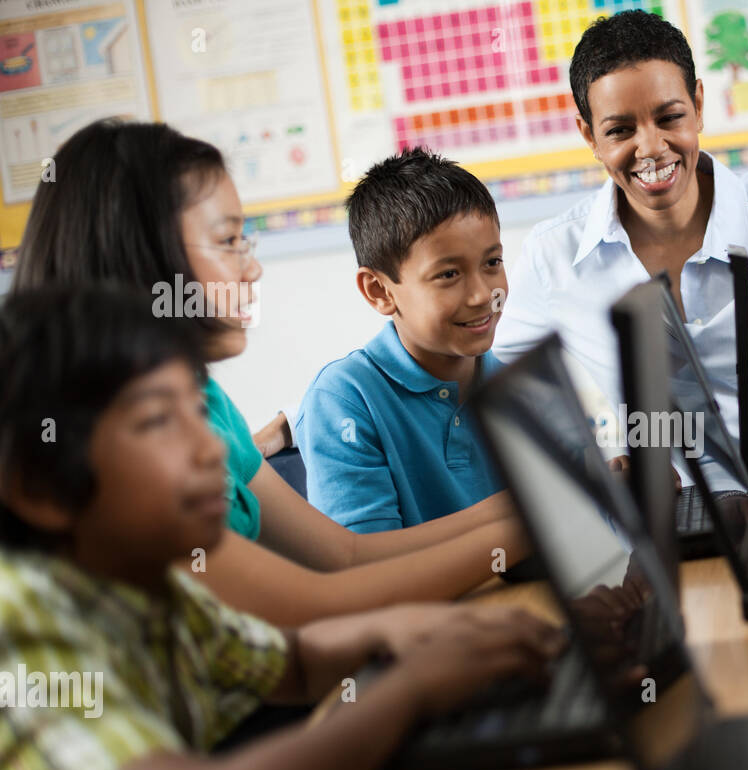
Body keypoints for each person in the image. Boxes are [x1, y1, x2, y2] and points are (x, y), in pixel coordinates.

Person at [0, 286, 563, 770]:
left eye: (198, 414)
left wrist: (412, 635)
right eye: (157, 422)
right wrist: (412, 689)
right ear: (40, 490)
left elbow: (292, 662)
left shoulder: (151, 585)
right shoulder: (23, 622)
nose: (211, 452)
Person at [12, 120, 529, 626]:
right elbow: (327, 600)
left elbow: (345, 557)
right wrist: (529, 524)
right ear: (141, 257)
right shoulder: (112, 447)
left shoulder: (207, 403)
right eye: (229, 241)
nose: (252, 267)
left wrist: (527, 511)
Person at [494, 11, 748, 509]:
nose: (651, 147)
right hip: (666, 526)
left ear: (698, 106)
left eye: (669, 117)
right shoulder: (555, 257)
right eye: (619, 130)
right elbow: (505, 388)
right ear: (589, 136)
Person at [296, 150, 508, 531]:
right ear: (379, 291)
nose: (481, 295)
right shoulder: (344, 399)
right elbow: (370, 566)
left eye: (492, 263)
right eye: (448, 274)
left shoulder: (524, 389)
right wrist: (513, 521)